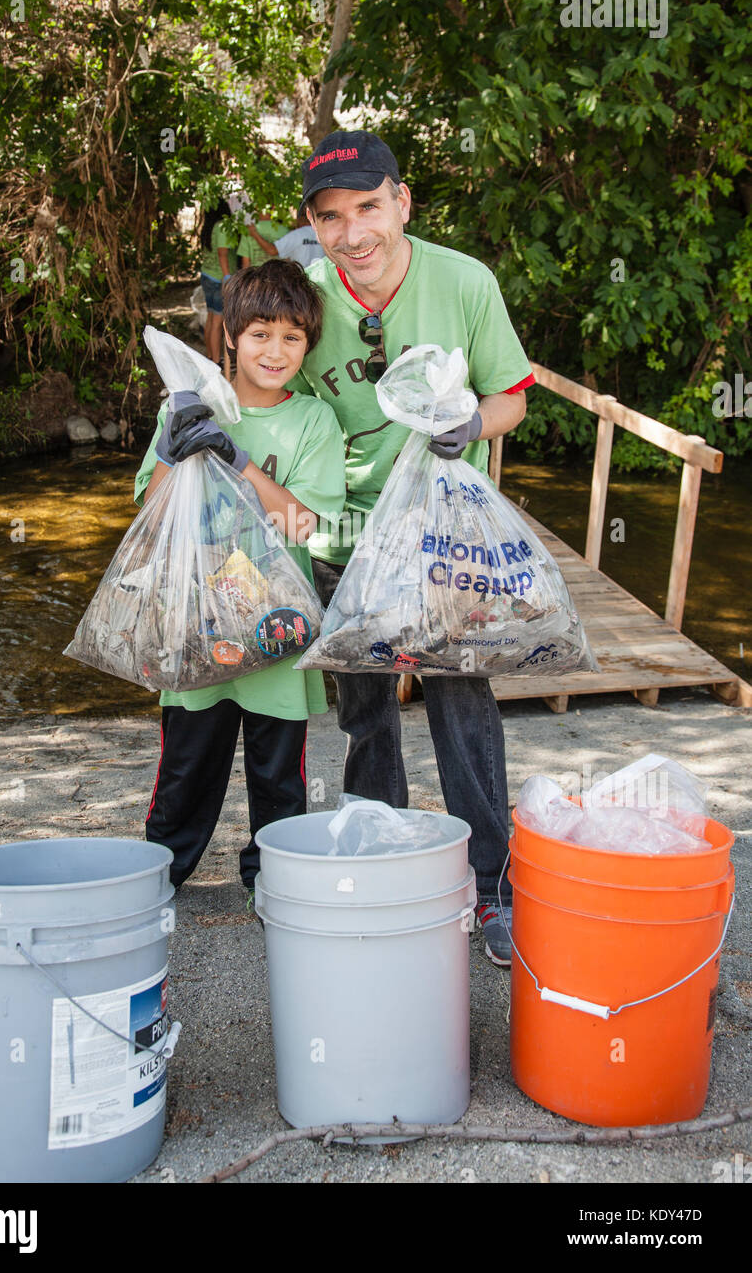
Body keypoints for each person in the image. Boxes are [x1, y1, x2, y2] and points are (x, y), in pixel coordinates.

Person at [296, 129, 535, 966]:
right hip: (342, 540)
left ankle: (494, 886)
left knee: (463, 711)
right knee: (365, 723)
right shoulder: (306, 298)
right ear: (314, 227)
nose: (353, 233)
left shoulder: (464, 281)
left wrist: (473, 423)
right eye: (331, 216)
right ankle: (384, 864)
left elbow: (513, 396)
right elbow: (265, 394)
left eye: (368, 206)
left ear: (402, 201)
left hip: (442, 542)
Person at [134, 259, 345, 899]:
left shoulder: (314, 421)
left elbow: (306, 527)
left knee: (279, 773)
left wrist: (238, 458)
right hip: (198, 626)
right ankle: (160, 877)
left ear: (308, 344)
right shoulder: (193, 408)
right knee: (186, 766)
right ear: (230, 336)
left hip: (278, 631)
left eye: (291, 337)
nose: (274, 351)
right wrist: (176, 447)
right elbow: (148, 512)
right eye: (259, 334)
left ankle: (273, 882)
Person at [198, 198, 239, 369]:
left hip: (207, 274)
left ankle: (210, 356)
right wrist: (227, 277)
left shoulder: (208, 227)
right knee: (217, 321)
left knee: (210, 317)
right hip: (218, 278)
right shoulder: (222, 226)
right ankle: (216, 361)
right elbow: (223, 253)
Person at [247, 212, 324, 268]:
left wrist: (254, 234)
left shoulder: (297, 235)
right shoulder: (322, 233)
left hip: (303, 280)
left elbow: (272, 250)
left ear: (301, 218)